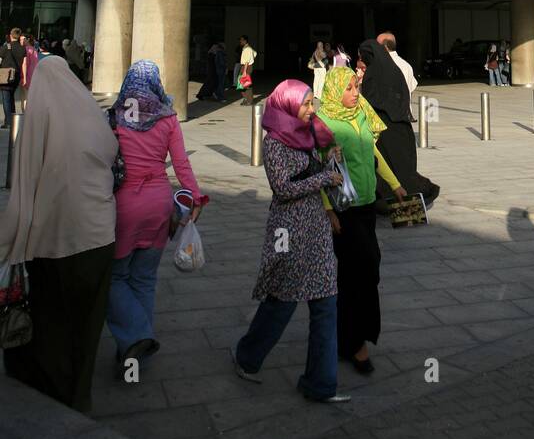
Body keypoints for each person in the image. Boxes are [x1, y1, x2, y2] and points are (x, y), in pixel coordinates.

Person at [1, 57, 117, 413]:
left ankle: (57, 391)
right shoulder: (93, 117)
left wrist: (10, 240)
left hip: (56, 241)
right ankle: (81, 392)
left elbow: (26, 176)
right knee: (87, 323)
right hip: (100, 239)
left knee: (52, 322)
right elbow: (112, 155)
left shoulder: (41, 115)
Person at [231, 80, 350, 402]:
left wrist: (329, 163)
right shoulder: (274, 143)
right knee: (282, 300)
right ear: (287, 105)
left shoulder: (305, 134)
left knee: (326, 302)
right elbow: (283, 189)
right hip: (289, 231)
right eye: (307, 103)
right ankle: (247, 356)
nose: (312, 110)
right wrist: (325, 177)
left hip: (316, 226)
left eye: (313, 103)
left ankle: (321, 384)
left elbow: (310, 176)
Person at [107, 60, 207, 373]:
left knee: (114, 277)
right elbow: (181, 164)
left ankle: (136, 336)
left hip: (123, 206)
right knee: (145, 279)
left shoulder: (113, 117)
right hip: (159, 204)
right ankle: (135, 352)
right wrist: (194, 197)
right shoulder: (168, 118)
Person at [315, 67, 405, 373]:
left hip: (367, 205)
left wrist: (395, 184)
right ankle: (355, 344)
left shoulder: (360, 116)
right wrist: (327, 208)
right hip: (344, 210)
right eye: (350, 88)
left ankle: (347, 337)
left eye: (357, 87)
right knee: (359, 271)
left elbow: (373, 153)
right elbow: (318, 170)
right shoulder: (324, 123)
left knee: (367, 269)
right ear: (336, 89)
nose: (355, 92)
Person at [357, 38, 439, 206]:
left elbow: (371, 101)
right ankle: (402, 205)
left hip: (387, 132)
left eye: (363, 58)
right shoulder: (392, 70)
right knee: (400, 170)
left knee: (392, 170)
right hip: (400, 128)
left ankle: (399, 204)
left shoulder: (374, 76)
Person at [238, 34, 256, 106]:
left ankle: (249, 101)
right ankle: (246, 99)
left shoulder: (248, 49)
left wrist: (245, 71)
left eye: (241, 40)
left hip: (246, 67)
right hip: (245, 67)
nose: (240, 41)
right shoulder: (246, 48)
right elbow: (255, 53)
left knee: (246, 85)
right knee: (241, 84)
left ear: (245, 41)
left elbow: (246, 61)